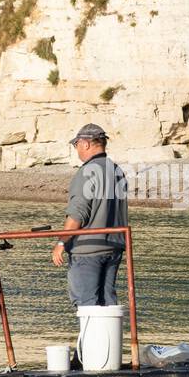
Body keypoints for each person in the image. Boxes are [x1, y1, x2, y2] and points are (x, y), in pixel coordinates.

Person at [51, 123, 128, 307]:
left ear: (85, 144)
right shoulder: (117, 171)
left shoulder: (87, 172)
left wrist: (61, 242)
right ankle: (109, 336)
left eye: (76, 144)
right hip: (114, 247)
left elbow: (78, 214)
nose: (76, 150)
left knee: (87, 303)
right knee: (107, 303)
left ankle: (92, 336)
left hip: (88, 249)